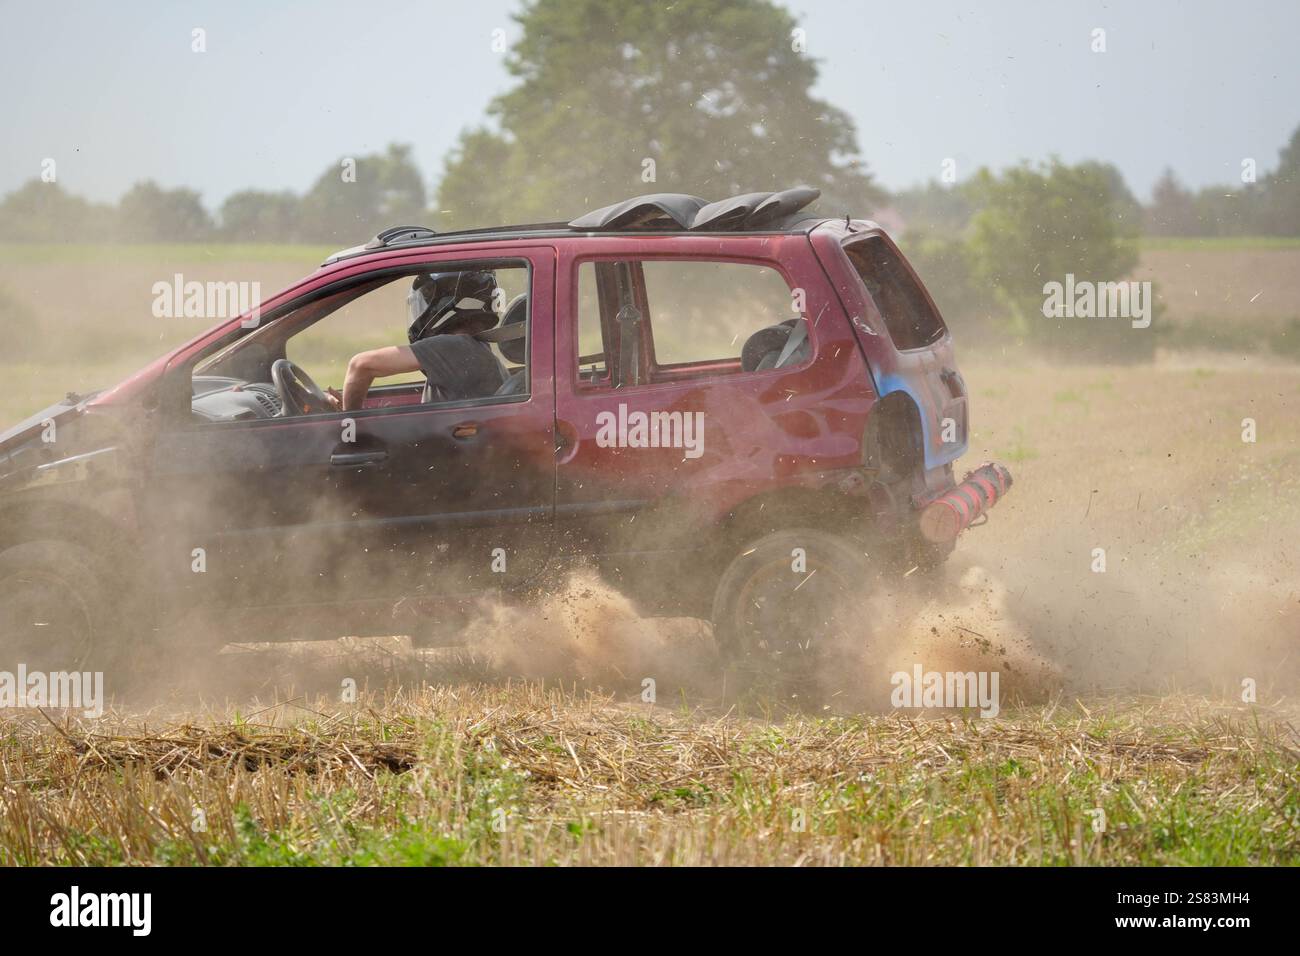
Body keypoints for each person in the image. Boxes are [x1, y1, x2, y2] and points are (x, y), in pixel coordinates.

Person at [325, 271, 505, 412]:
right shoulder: (478, 351)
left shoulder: (456, 347)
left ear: (442, 302)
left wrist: (348, 419)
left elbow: (361, 365)